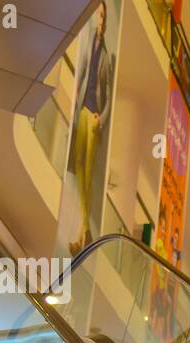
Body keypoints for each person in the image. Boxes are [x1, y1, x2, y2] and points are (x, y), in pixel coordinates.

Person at [67, 1, 115, 255]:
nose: (100, 21)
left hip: (93, 116)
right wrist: (75, 91)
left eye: (104, 18)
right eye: (99, 16)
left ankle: (82, 232)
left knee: (87, 171)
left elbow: (109, 98)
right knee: (79, 166)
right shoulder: (89, 44)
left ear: (106, 23)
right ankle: (85, 231)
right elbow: (83, 69)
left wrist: (102, 119)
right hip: (82, 110)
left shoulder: (107, 58)